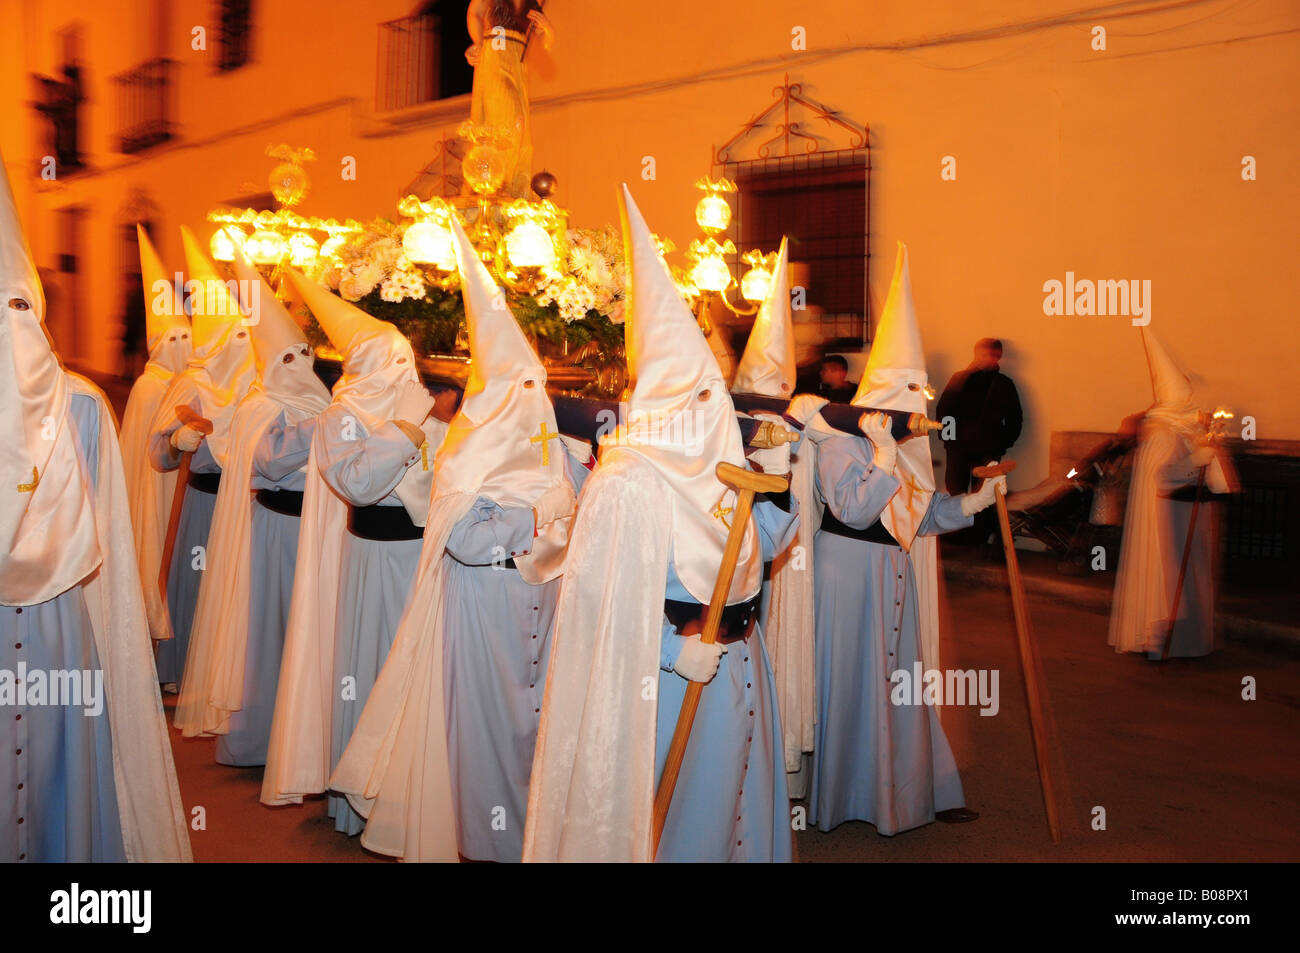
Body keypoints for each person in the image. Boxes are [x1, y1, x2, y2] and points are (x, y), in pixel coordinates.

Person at [524, 185, 800, 862]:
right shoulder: (627, 478)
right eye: (701, 396)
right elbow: (595, 604)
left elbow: (761, 553)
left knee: (734, 804)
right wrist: (676, 653)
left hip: (739, 660)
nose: (715, 411)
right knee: (683, 820)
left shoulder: (716, 460)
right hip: (671, 672)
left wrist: (782, 485)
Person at [331, 216, 585, 862]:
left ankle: (526, 835)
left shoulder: (544, 435)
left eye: (538, 385)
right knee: (485, 727)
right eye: (520, 386)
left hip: (538, 601)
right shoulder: (466, 448)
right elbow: (466, 537)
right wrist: (533, 518)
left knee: (532, 723)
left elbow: (576, 483)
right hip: (482, 604)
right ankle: (481, 837)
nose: (533, 397)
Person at [0, 153, 191, 862]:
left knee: (57, 771)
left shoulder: (81, 404)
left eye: (19, 307)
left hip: (61, 630)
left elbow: (108, 536)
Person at [795, 241, 1003, 837]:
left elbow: (921, 514)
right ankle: (843, 799)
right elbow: (856, 511)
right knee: (852, 684)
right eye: (912, 390)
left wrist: (971, 503)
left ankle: (912, 794)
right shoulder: (840, 440)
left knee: (902, 685)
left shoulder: (904, 446)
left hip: (893, 574)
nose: (922, 403)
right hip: (847, 572)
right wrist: (882, 457)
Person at [261, 268, 449, 837]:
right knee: (371, 667)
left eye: (405, 360)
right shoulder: (338, 416)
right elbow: (360, 483)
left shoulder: (423, 407)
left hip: (421, 554)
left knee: (414, 671)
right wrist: (411, 428)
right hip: (374, 557)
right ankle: (358, 801)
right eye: (392, 362)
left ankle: (406, 799)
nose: (404, 373)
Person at [173, 241, 331, 766]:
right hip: (274, 532)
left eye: (305, 354)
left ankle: (301, 738)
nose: (301, 365)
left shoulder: (318, 401)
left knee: (303, 634)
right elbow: (269, 462)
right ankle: (256, 739)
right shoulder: (262, 404)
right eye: (288, 357)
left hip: (310, 532)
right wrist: (326, 427)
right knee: (266, 633)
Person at [147, 227, 256, 688]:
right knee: (195, 583)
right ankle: (183, 671)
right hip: (203, 504)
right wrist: (177, 442)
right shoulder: (191, 384)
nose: (243, 345)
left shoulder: (259, 383)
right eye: (233, 336)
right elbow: (156, 452)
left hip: (244, 504)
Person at [731, 236, 816, 800]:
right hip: (746, 558)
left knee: (779, 651)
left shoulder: (801, 430)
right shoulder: (735, 429)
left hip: (790, 558)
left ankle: (773, 763)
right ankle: (750, 759)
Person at [1108, 327, 1231, 659]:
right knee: (1173, 584)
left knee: (1192, 582)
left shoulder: (1185, 428)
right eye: (1185, 395)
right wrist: (1195, 459)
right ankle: (1166, 641)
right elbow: (1160, 477)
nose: (1191, 401)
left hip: (1189, 515)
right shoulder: (1162, 432)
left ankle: (1189, 641)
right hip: (1170, 523)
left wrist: (1207, 452)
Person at [120, 224, 192, 645]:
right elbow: (141, 452)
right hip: (154, 485)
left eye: (187, 336)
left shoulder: (184, 383)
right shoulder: (149, 387)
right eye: (173, 338)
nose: (182, 344)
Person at [466, 0, 554, 198]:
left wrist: (548, 30)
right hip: (495, 57)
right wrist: (478, 42)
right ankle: (498, 181)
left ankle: (515, 187)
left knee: (520, 126)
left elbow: (544, 40)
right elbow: (474, 13)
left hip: (517, 63)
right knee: (507, 115)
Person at [936, 337, 1023, 503]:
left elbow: (1015, 419)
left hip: (987, 452)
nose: (985, 360)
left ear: (998, 357)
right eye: (982, 355)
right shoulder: (959, 378)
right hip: (958, 450)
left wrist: (1001, 445)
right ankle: (959, 529)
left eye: (991, 356)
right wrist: (949, 441)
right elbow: (944, 411)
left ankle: (981, 529)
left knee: (985, 497)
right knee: (956, 495)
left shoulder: (1004, 384)